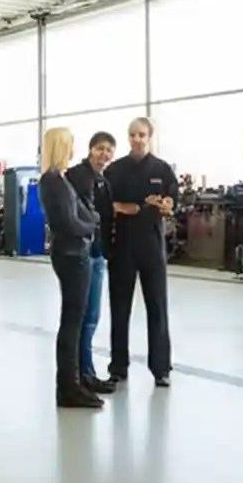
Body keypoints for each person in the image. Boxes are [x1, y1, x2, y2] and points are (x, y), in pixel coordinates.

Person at [105, 117, 178, 388]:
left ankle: (161, 368)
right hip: (122, 247)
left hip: (152, 247)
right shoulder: (115, 171)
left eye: (142, 135)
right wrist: (123, 207)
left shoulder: (162, 169)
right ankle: (118, 366)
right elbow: (102, 204)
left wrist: (167, 204)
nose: (137, 139)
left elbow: (173, 199)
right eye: (133, 135)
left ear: (150, 137)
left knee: (157, 307)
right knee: (119, 308)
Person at [38, 127, 104, 409]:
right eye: (70, 144)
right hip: (71, 254)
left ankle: (74, 382)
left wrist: (90, 219)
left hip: (74, 252)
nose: (74, 150)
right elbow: (68, 221)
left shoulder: (59, 179)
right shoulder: (52, 181)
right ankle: (68, 387)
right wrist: (91, 225)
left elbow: (81, 212)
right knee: (72, 322)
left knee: (74, 321)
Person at [64, 131, 117, 396]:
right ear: (90, 149)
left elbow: (105, 217)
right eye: (100, 149)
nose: (103, 154)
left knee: (92, 317)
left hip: (97, 254)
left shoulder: (102, 181)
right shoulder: (76, 176)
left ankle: (86, 372)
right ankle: (82, 375)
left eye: (108, 150)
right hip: (81, 254)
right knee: (82, 317)